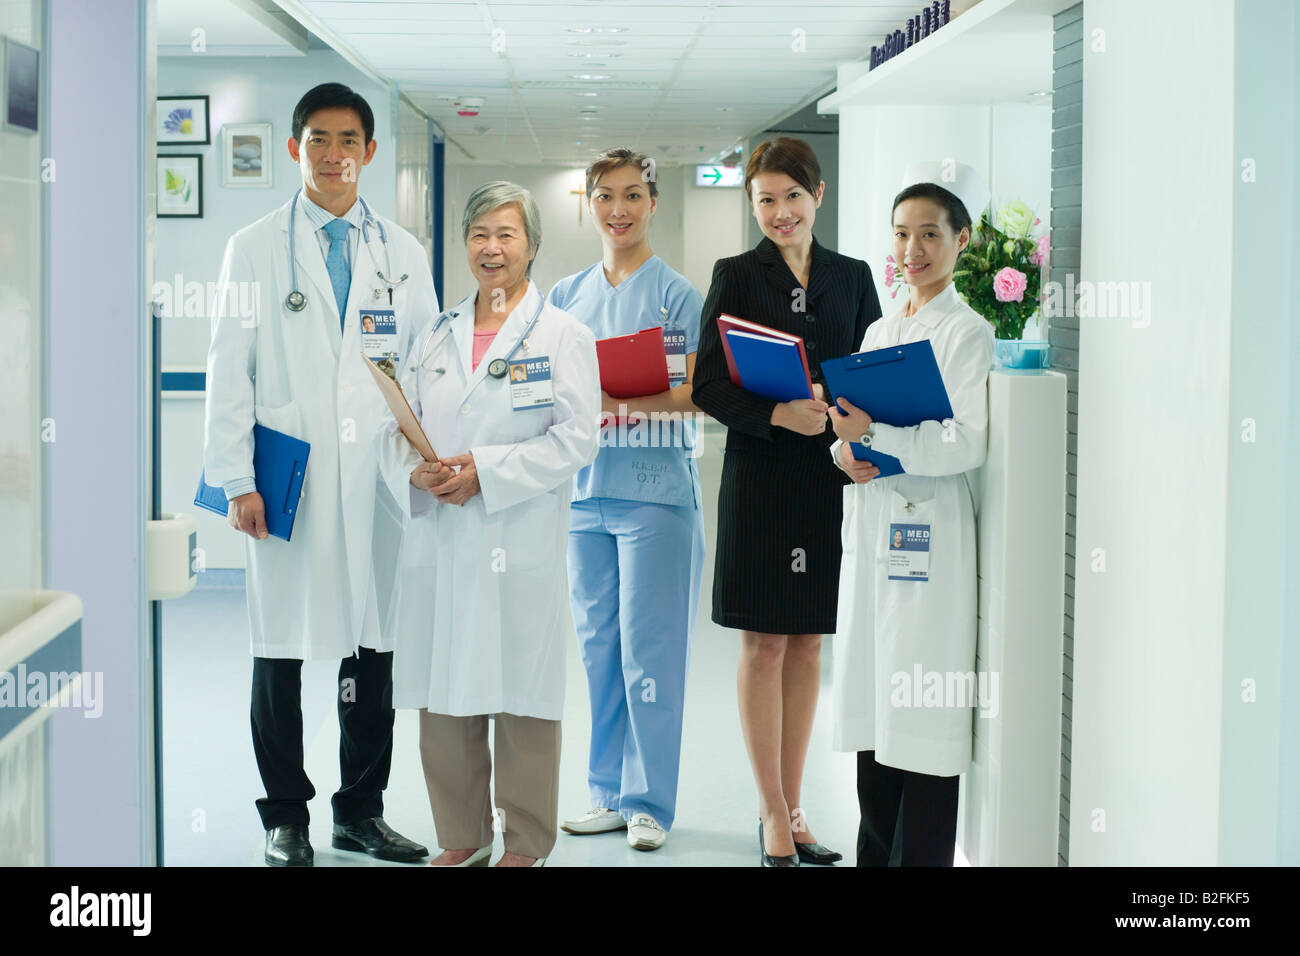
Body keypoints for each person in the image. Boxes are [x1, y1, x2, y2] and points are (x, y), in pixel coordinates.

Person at [203, 82, 438, 867]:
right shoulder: (253, 248)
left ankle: (360, 812)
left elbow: (424, 369)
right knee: (280, 648)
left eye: (347, 141)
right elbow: (227, 370)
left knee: (373, 650)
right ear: (295, 148)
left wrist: (428, 459)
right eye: (318, 140)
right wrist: (236, 479)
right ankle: (285, 817)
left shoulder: (402, 253)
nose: (333, 155)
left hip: (379, 479)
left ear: (369, 151)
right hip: (288, 481)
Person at [377, 182, 600, 867]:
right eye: (479, 234)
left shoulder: (562, 335)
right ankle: (463, 836)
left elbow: (578, 438)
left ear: (532, 245)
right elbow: (394, 427)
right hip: (442, 537)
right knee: (445, 690)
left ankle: (526, 841)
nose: (492, 248)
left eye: (506, 234)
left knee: (522, 691)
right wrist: (414, 472)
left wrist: (488, 471)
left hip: (516, 536)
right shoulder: (433, 335)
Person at [692, 137, 882, 866]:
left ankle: (796, 807)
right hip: (762, 478)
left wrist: (844, 407)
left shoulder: (852, 277)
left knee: (807, 642)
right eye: (765, 199)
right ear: (752, 204)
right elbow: (709, 384)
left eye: (792, 196)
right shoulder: (737, 275)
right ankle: (772, 811)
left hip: (828, 477)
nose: (781, 212)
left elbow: (869, 368)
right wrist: (776, 414)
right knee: (764, 641)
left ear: (818, 195)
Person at [826, 162, 994, 867]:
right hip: (876, 528)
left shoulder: (968, 332)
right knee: (875, 713)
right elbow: (849, 427)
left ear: (961, 241)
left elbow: (966, 442)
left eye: (929, 234)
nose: (912, 249)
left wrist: (878, 435)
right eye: (901, 234)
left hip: (930, 536)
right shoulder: (880, 330)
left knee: (920, 717)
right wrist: (846, 452)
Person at [548, 147, 706, 852]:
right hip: (585, 496)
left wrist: (619, 404)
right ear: (589, 204)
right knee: (598, 649)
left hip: (655, 496)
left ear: (653, 203)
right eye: (606, 195)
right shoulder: (565, 295)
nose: (619, 209)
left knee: (652, 652)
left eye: (633, 195)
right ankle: (606, 794)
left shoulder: (679, 296)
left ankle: (649, 803)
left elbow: (697, 394)